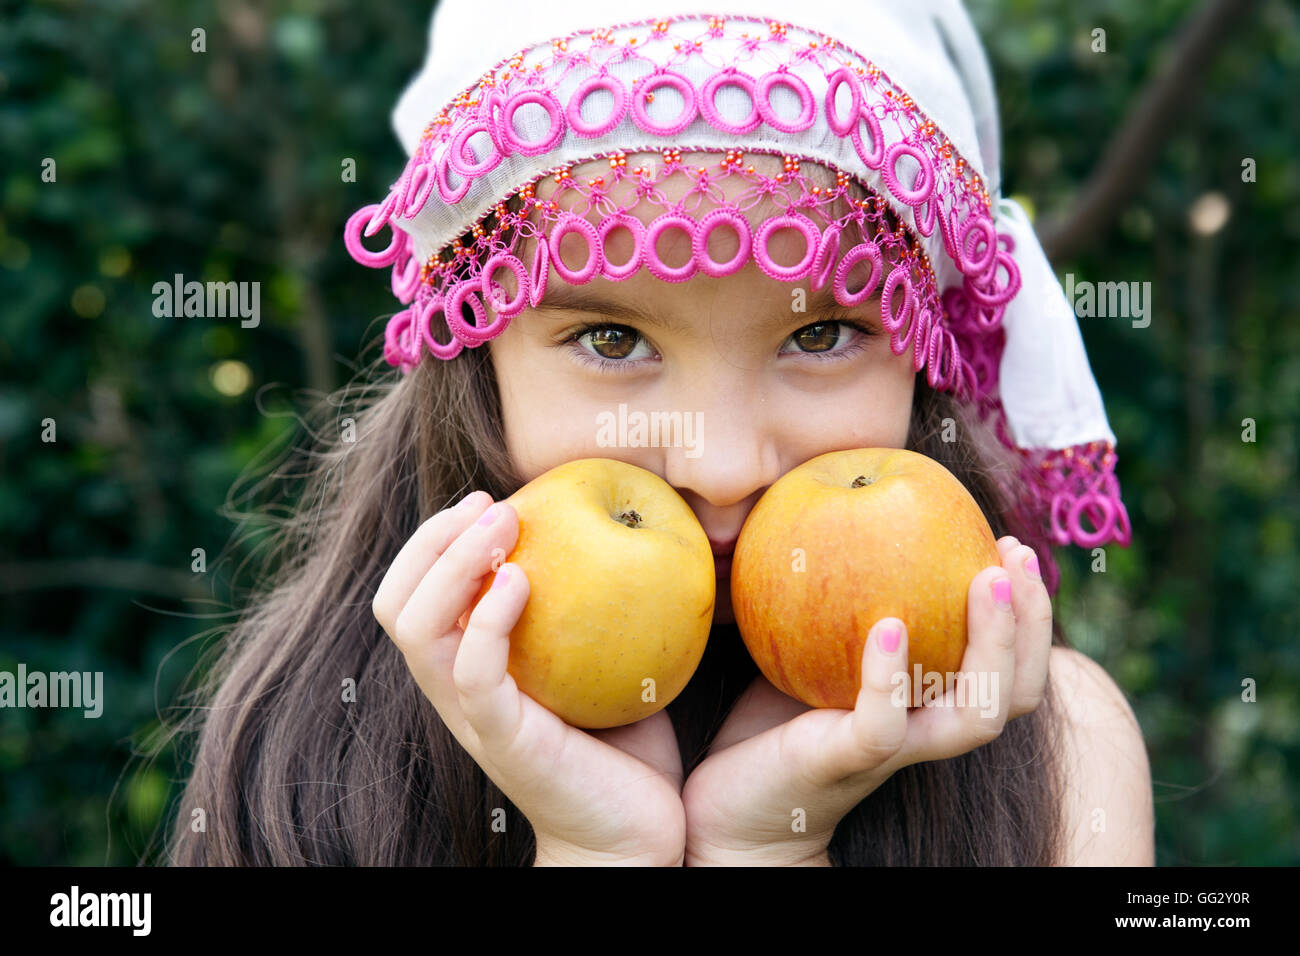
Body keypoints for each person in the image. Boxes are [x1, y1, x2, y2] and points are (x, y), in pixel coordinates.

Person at [167, 0, 1154, 866]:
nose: (720, 467)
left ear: (924, 349)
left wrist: (768, 846)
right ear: (476, 355)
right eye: (611, 337)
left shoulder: (1062, 751)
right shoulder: (304, 750)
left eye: (820, 334)